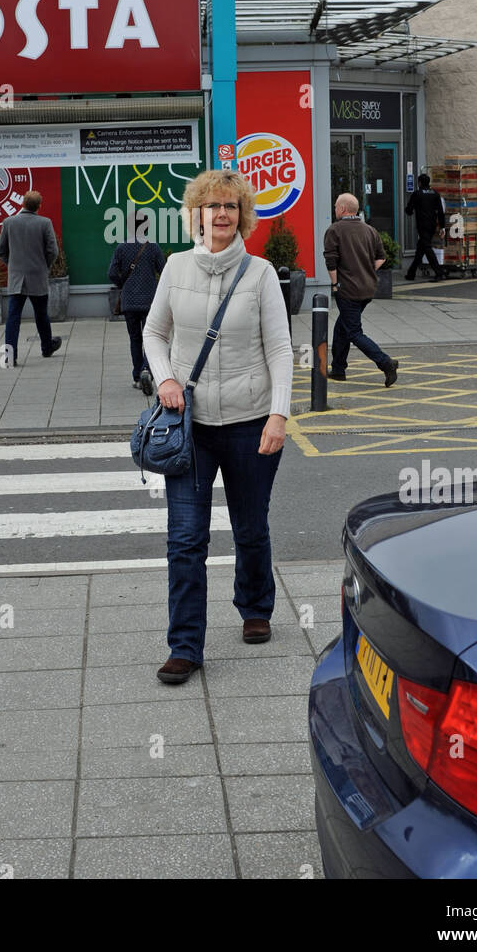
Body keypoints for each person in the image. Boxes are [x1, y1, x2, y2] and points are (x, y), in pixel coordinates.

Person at [143, 168, 294, 685]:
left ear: (242, 215)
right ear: (196, 215)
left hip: (251, 424)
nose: (221, 214)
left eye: (230, 206)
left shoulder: (261, 274)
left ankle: (255, 605)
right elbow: (153, 333)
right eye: (211, 206)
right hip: (190, 427)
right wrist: (165, 379)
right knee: (186, 540)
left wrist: (279, 414)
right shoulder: (174, 267)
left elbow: (280, 349)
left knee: (250, 528)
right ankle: (184, 646)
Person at [325, 192, 398, 387]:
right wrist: (366, 271)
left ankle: (386, 363)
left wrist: (334, 284)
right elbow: (381, 257)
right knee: (342, 327)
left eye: (335, 206)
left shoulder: (335, 230)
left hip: (347, 289)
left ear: (342, 209)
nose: (334, 209)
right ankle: (339, 369)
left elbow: (331, 260)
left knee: (354, 332)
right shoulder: (370, 230)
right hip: (367, 289)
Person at [0, 191, 63, 366]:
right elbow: (53, 251)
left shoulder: (9, 222)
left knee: (13, 318)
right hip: (38, 276)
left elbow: (1, 251)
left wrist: (13, 265)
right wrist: (44, 266)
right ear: (39, 206)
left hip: (16, 278)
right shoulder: (44, 223)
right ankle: (47, 347)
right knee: (41, 314)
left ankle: (10, 357)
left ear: (23, 204)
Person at [108, 216, 166, 395]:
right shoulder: (153, 247)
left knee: (135, 338)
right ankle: (147, 370)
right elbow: (164, 272)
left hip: (129, 302)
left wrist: (122, 285)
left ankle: (136, 377)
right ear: (146, 227)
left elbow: (111, 273)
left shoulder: (121, 248)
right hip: (150, 301)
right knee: (152, 337)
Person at [404, 173, 446, 281]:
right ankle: (411, 273)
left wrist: (409, 210)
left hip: (422, 225)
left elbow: (409, 210)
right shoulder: (435, 194)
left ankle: (439, 272)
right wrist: (442, 227)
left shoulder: (417, 194)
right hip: (432, 225)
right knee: (421, 249)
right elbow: (441, 212)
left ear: (419, 183)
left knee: (427, 248)